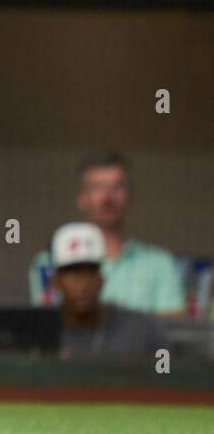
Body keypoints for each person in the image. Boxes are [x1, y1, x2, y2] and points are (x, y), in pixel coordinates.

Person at [30, 151, 185, 315]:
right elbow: (46, 326)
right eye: (97, 187)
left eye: (117, 187)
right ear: (82, 198)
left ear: (130, 197)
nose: (107, 198)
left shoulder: (160, 264)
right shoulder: (49, 263)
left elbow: (169, 333)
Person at [50, 222, 163, 360]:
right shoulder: (38, 332)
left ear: (101, 279)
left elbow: (167, 375)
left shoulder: (141, 329)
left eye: (90, 272)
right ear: (56, 281)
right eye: (73, 274)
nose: (83, 285)